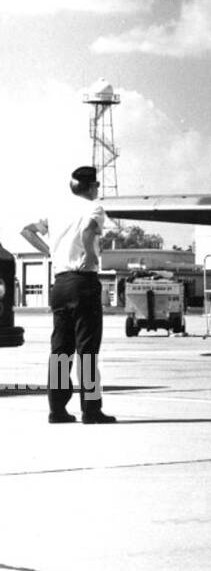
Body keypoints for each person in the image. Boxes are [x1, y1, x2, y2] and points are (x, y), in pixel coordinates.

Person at [21, 166, 116, 424]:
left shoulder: (56, 210)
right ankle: (91, 410)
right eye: (95, 185)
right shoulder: (93, 208)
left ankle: (57, 409)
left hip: (60, 284)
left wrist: (51, 252)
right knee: (87, 349)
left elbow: (27, 230)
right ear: (91, 187)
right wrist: (91, 258)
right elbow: (88, 232)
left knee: (61, 350)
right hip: (83, 282)